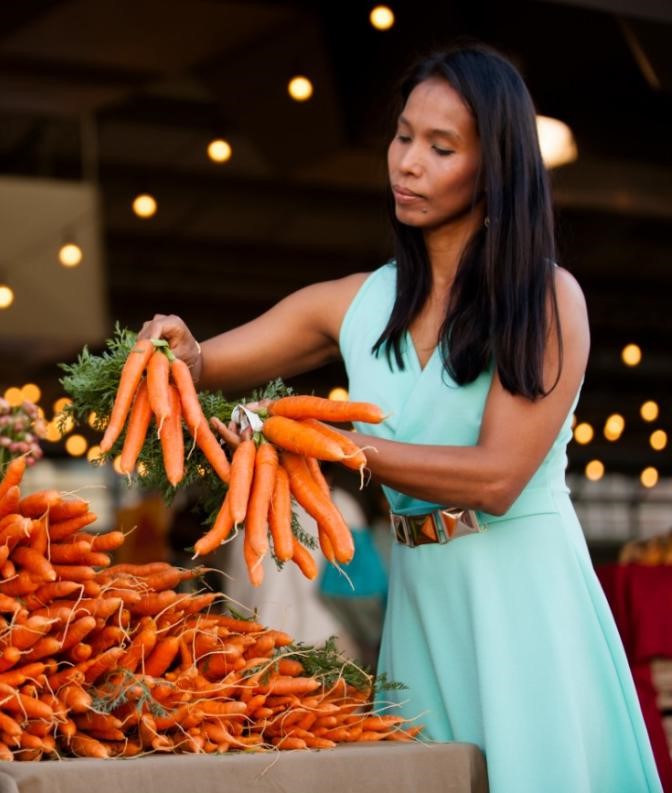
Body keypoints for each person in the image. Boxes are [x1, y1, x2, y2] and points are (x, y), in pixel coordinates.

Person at [138, 44, 660, 792]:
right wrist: (181, 349)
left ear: (495, 168)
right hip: (422, 598)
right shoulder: (356, 303)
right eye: (404, 135)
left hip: (523, 596)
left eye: (441, 147)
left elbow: (499, 477)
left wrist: (347, 447)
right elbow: (205, 363)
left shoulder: (544, 297)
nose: (407, 162)